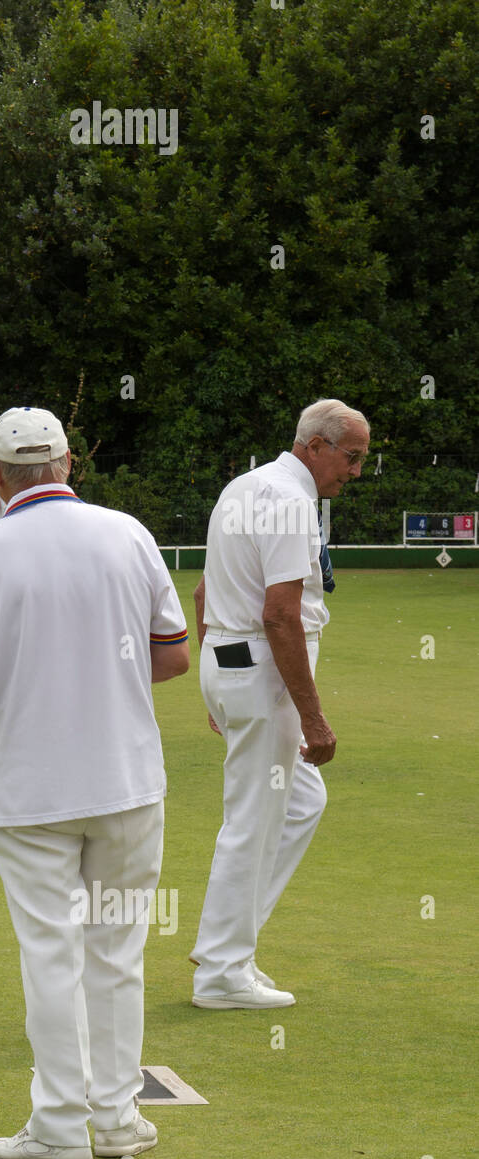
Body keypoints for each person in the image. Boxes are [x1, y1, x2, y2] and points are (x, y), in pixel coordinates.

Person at [0, 406, 189, 1159]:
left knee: (51, 951)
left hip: (31, 790)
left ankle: (59, 1130)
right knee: (118, 952)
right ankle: (114, 1119)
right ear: (68, 463)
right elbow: (171, 657)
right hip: (127, 783)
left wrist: (21, 693)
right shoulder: (129, 534)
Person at [190, 398, 368, 1009]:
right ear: (314, 446)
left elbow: (204, 588)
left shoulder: (242, 486)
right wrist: (314, 718)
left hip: (230, 659)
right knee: (253, 818)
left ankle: (230, 944)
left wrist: (213, 676)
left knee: (300, 801)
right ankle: (220, 972)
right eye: (351, 457)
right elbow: (280, 614)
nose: (356, 471)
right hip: (261, 671)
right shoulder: (292, 502)